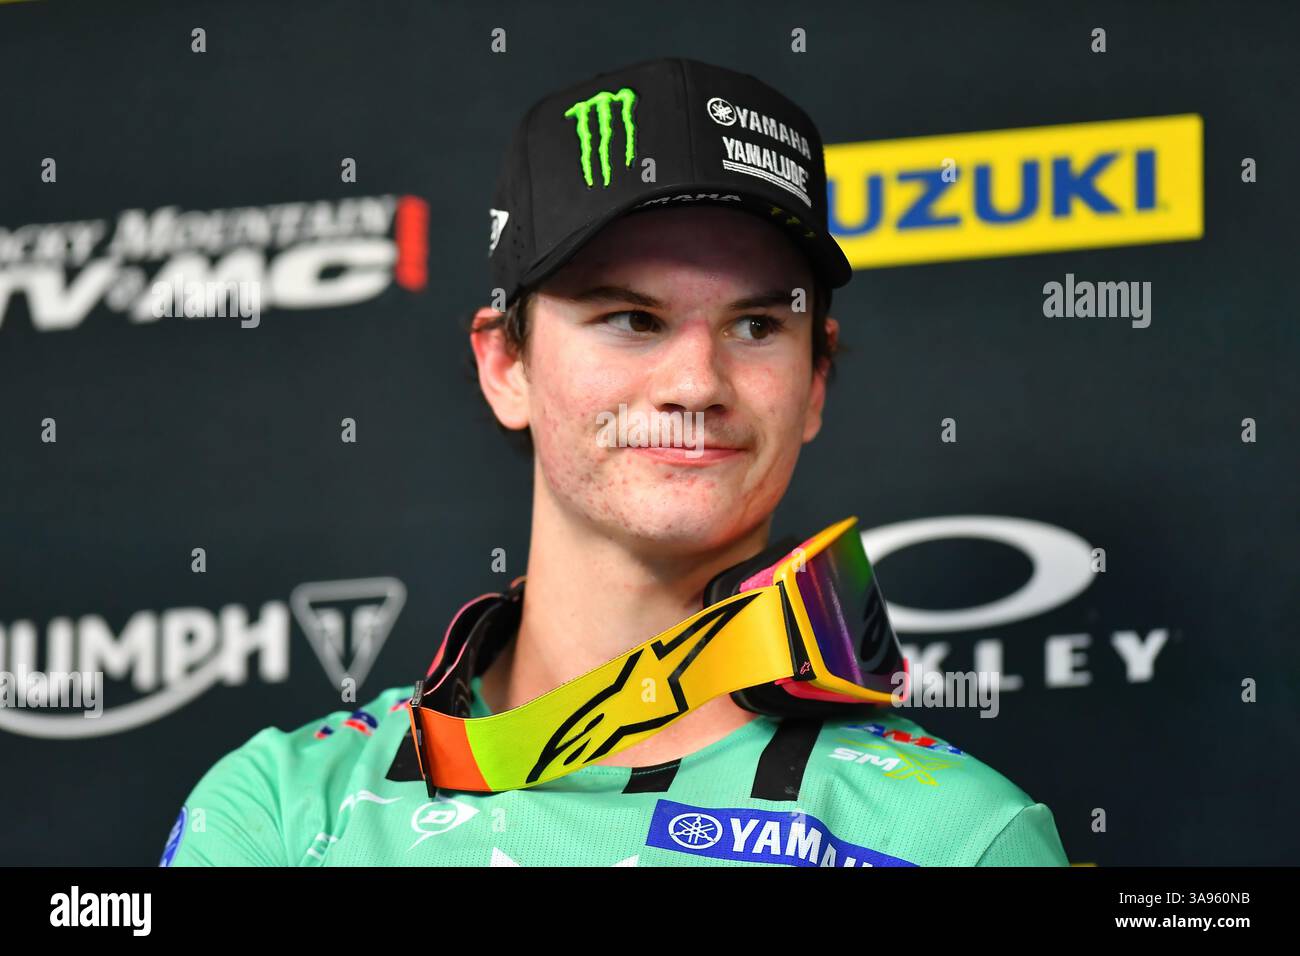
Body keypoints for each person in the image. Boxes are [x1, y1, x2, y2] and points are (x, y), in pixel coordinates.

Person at [162, 57, 1069, 867]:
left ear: (816, 382)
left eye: (756, 326)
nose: (696, 382)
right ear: (504, 365)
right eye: (632, 319)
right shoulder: (284, 814)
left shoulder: (956, 840)